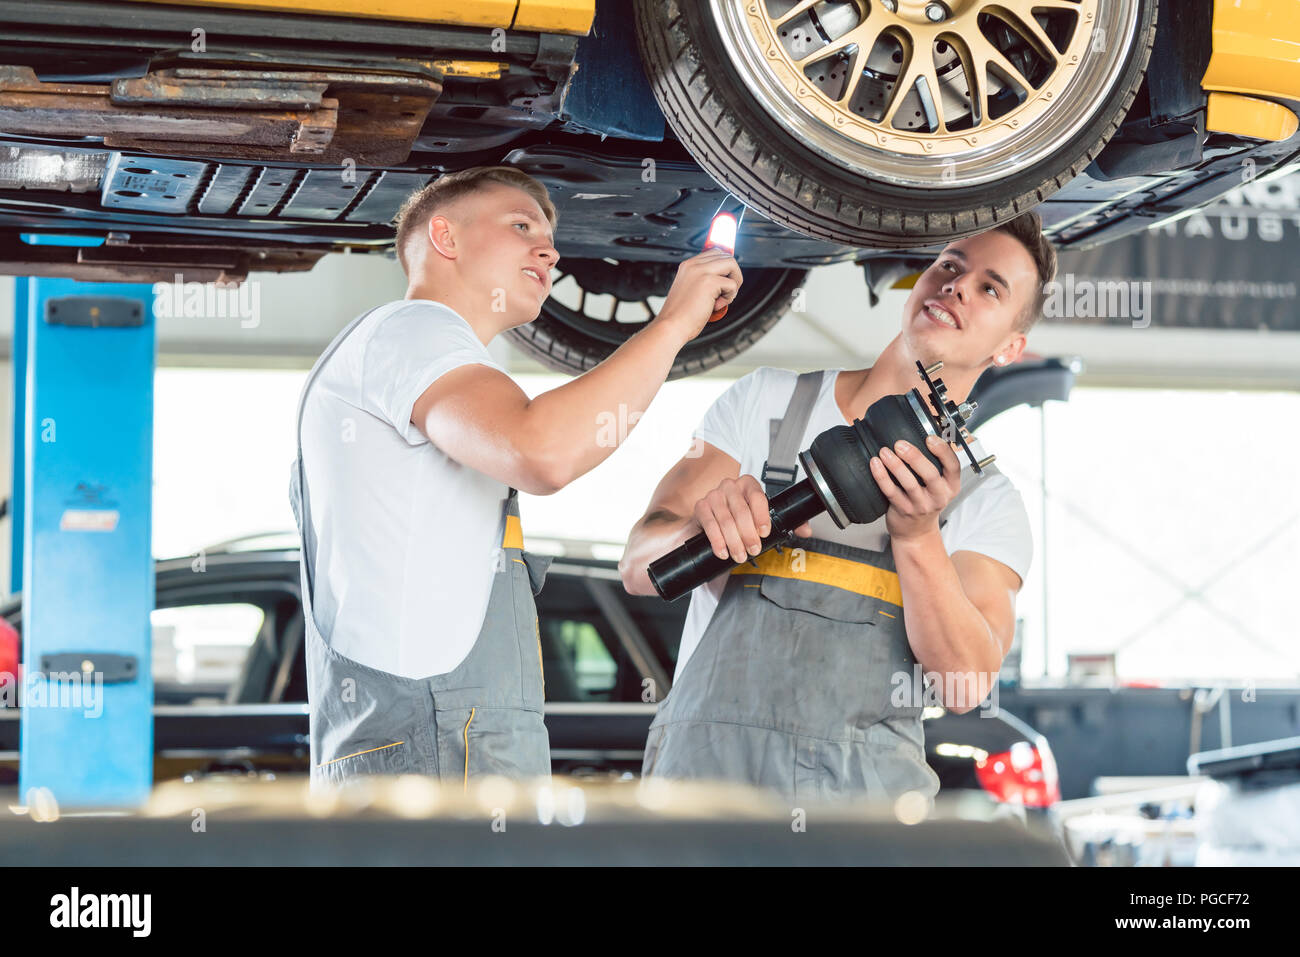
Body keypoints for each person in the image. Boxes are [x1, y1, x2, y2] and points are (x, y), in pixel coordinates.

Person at [289, 165, 742, 788]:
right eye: (521, 224)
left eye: (549, 235)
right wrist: (670, 327)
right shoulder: (413, 330)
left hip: (440, 739)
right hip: (438, 749)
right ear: (444, 237)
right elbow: (543, 452)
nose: (551, 250)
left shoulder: (416, 352)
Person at [619, 212, 1056, 808]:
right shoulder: (766, 401)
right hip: (703, 795)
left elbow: (965, 682)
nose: (956, 285)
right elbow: (639, 567)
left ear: (1011, 346)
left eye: (990, 288)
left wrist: (919, 535)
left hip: (858, 816)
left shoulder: (986, 501)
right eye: (948, 265)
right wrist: (703, 527)